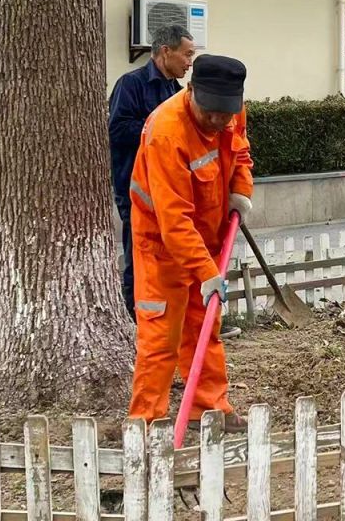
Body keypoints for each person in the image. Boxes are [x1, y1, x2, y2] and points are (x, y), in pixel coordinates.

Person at [127, 54, 254, 431]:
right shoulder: (168, 133)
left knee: (204, 325)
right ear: (192, 90)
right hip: (162, 244)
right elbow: (173, 220)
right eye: (210, 111)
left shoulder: (231, 111)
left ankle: (207, 407)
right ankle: (146, 422)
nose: (217, 120)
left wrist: (240, 191)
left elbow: (241, 151)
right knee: (160, 334)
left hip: (208, 235)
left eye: (225, 113)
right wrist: (205, 271)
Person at [108, 25, 193, 319]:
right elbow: (117, 130)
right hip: (136, 189)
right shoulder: (130, 85)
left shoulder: (177, 92)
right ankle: (134, 318)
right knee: (139, 255)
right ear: (166, 52)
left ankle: (166, 316)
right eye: (187, 54)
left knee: (169, 254)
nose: (190, 62)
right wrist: (158, 132)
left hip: (169, 189)